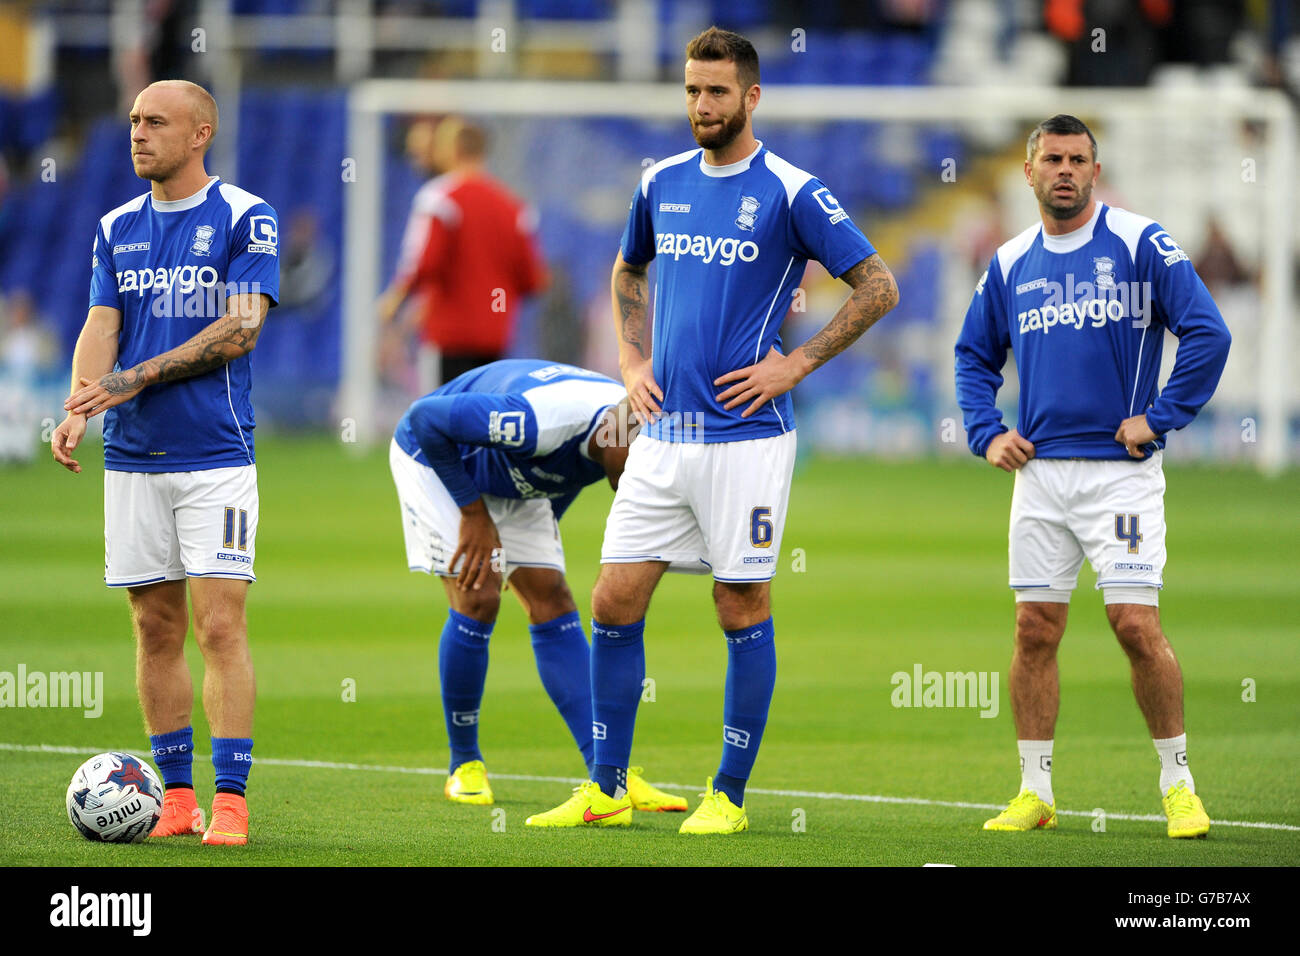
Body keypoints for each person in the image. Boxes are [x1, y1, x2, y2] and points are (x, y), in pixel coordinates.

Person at [526, 27, 899, 833]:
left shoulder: (793, 191)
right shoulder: (660, 182)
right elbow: (629, 267)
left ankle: (727, 794)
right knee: (614, 598)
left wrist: (793, 366)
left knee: (740, 602)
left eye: (717, 92)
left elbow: (877, 286)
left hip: (748, 439)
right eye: (693, 90)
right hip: (664, 434)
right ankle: (606, 787)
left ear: (752, 97)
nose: (701, 104)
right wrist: (631, 361)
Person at [954, 114, 1231, 838]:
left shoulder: (1141, 242)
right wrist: (987, 432)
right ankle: (1034, 791)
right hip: (1040, 475)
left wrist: (1163, 415)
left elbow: (1208, 330)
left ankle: (1178, 785)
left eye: (1078, 159)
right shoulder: (1012, 262)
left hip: (1121, 475)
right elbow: (972, 355)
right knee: (1034, 628)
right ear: (1029, 172)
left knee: (1135, 624)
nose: (1066, 170)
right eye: (1053, 159)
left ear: (1095, 171)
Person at [51, 79, 279, 847]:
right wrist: (81, 402)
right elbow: (102, 322)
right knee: (153, 627)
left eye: (155, 122)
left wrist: (130, 379)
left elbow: (240, 330)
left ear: (200, 133)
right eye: (132, 121)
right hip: (134, 460)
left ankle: (233, 803)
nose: (138, 133)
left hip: (216, 454)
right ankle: (175, 800)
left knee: (219, 626)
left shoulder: (248, 217)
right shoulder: (116, 227)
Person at [390, 358, 686, 813]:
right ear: (611, 439)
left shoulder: (621, 433)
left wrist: (528, 553)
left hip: (512, 473)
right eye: (635, 466)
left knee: (550, 595)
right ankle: (464, 763)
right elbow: (424, 420)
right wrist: (473, 514)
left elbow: (565, 476)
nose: (638, 479)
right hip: (436, 459)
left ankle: (609, 777)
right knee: (479, 597)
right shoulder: (535, 421)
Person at [378, 117, 547, 393]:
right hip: (495, 337)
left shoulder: (439, 199)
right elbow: (532, 280)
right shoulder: (514, 208)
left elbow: (423, 264)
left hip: (448, 336)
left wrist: (395, 299)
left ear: (452, 150)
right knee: (483, 422)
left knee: (442, 421)